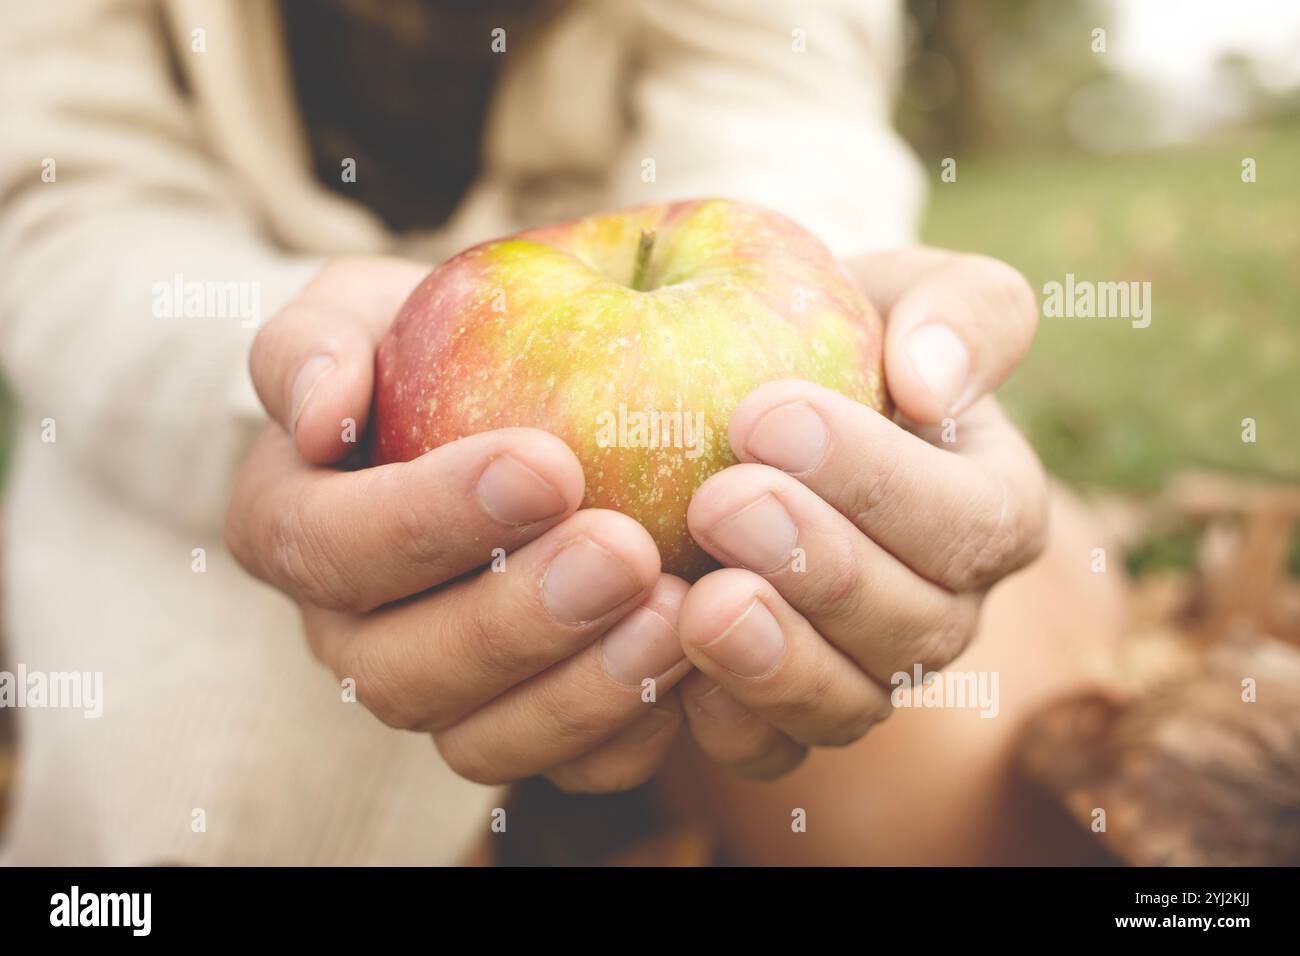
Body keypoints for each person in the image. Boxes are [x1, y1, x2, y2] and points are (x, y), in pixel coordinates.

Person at [0, 0, 1121, 865]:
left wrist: (868, 354)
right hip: (197, 378)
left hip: (679, 425)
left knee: (985, 798)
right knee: (214, 822)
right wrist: (297, 399)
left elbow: (780, 102)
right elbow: (63, 201)